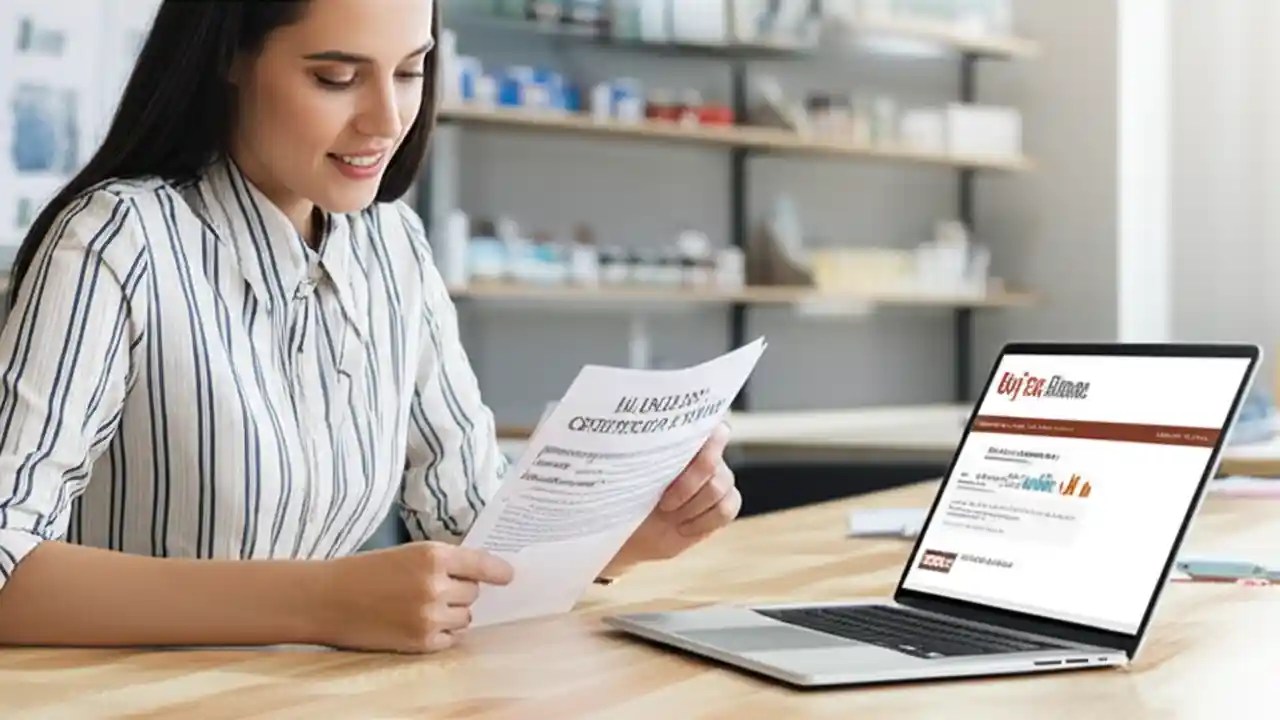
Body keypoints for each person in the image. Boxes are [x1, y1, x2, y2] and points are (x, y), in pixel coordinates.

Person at [0, 0, 741, 654]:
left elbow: (465, 523)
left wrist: (624, 538)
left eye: (412, 71)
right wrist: (325, 601)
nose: (387, 121)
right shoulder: (117, 242)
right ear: (230, 56)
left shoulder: (393, 250)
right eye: (336, 77)